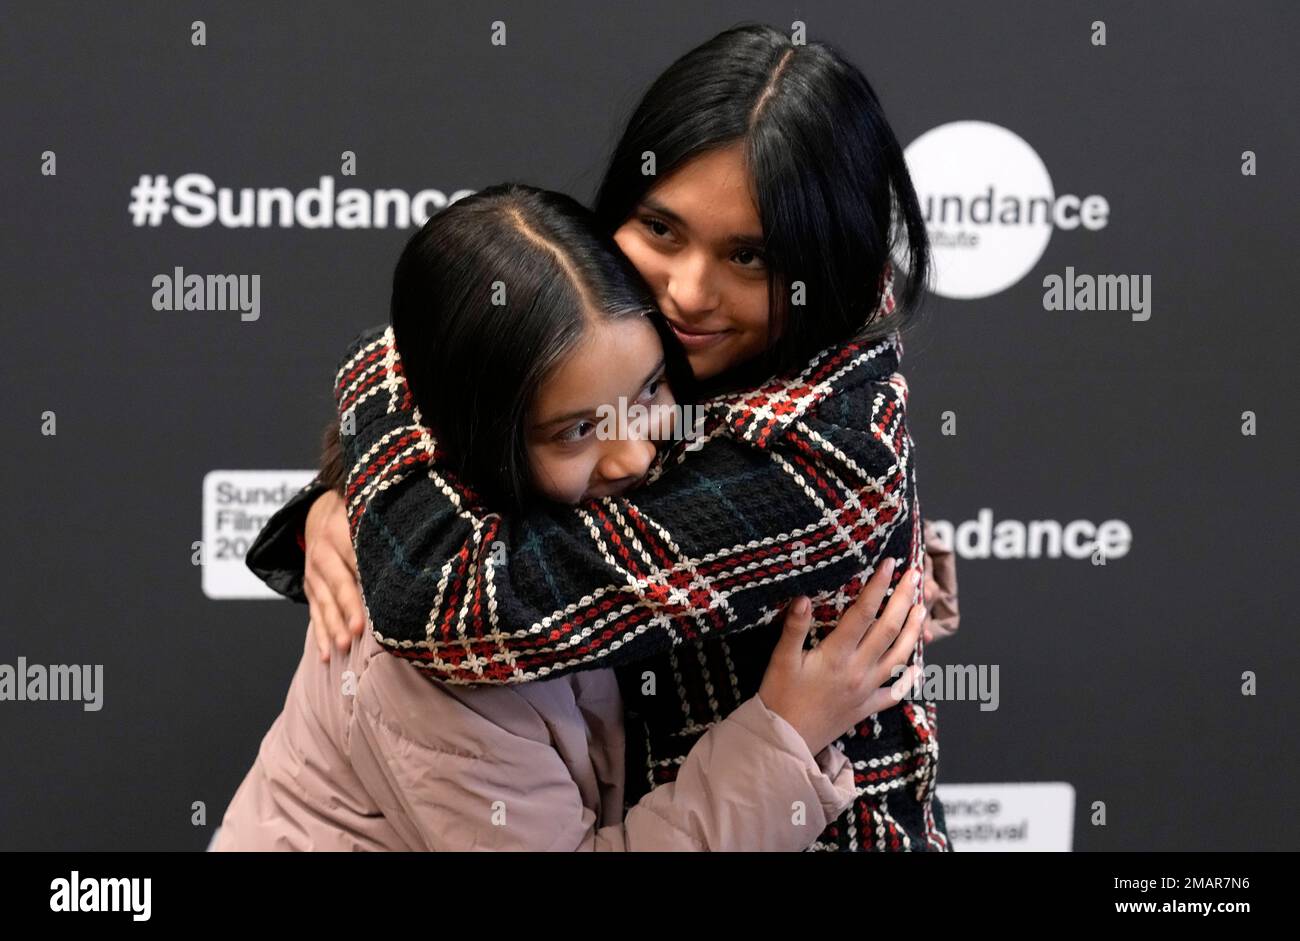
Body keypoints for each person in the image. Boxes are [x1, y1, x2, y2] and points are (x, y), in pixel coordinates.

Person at [248, 23, 960, 851]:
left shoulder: (828, 455)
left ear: (825, 260)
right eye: (662, 230)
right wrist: (342, 500)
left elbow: (453, 605)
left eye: (750, 257)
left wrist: (373, 485)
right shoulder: (666, 329)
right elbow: (447, 350)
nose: (688, 293)